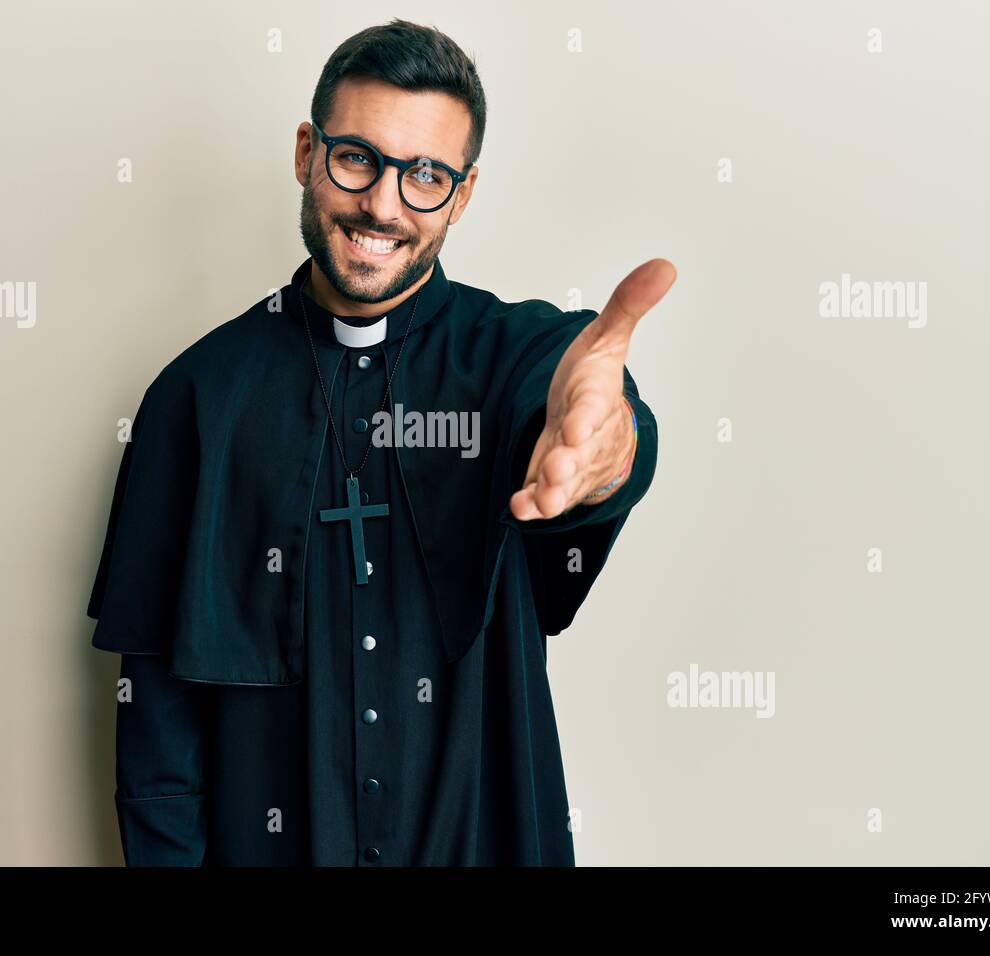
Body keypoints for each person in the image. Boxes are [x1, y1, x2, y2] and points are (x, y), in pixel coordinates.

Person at [85, 17, 675, 866]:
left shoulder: (516, 359)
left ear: (462, 195)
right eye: (357, 157)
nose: (383, 204)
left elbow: (591, 415)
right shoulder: (196, 398)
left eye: (426, 175)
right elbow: (155, 725)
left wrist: (607, 448)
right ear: (305, 152)